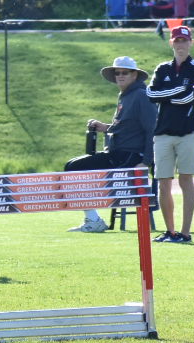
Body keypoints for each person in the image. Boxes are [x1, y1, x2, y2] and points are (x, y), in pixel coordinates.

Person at [66, 56, 155, 233]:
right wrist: (106, 127)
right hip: (119, 153)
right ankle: (92, 218)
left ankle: (93, 220)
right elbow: (126, 127)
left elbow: (152, 130)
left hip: (129, 156)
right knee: (72, 166)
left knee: (74, 168)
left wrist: (146, 161)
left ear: (134, 75)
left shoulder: (141, 96)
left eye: (125, 73)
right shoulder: (126, 95)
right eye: (117, 73)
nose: (120, 76)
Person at [147, 26, 194, 242]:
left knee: (185, 179)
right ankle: (170, 231)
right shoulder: (162, 68)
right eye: (177, 41)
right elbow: (150, 94)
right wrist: (176, 91)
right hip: (163, 132)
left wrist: (166, 94)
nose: (181, 45)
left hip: (188, 131)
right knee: (163, 182)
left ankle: (185, 232)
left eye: (184, 40)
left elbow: (189, 97)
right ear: (171, 43)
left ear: (191, 43)